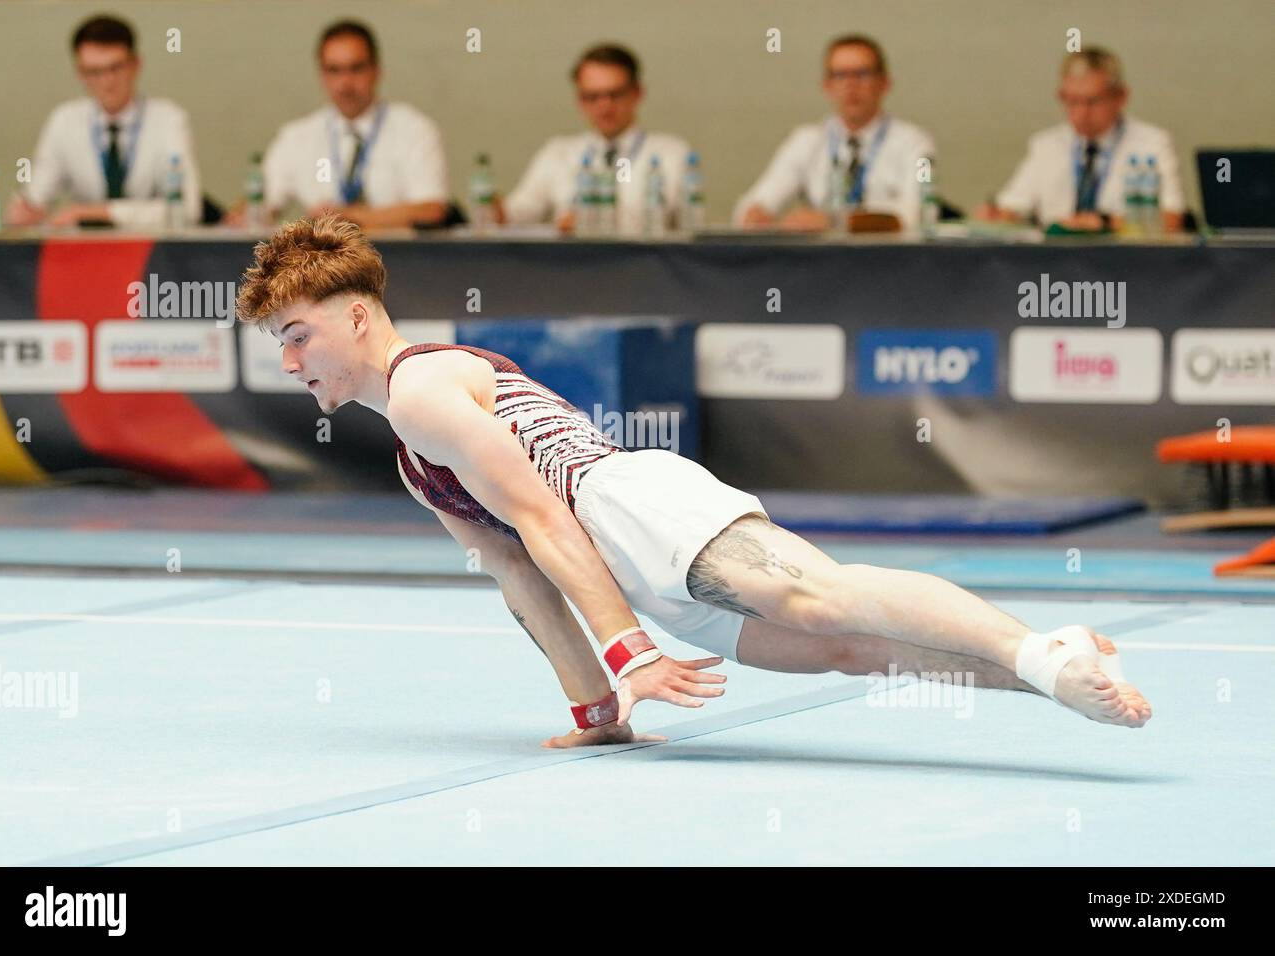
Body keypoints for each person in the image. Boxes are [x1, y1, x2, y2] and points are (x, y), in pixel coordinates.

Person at [235, 216, 1153, 747]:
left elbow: (543, 515)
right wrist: (596, 708)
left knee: (821, 600)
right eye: (280, 345)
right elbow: (523, 577)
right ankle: (1055, 661)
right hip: (622, 576)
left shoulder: (424, 388)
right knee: (847, 652)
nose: (290, 363)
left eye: (298, 336)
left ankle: (1038, 656)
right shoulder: (409, 458)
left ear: (358, 317)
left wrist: (629, 654)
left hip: (624, 505)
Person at [7, 14, 202, 229]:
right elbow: (34, 199)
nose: (107, 81)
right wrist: (25, 210)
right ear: (80, 73)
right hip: (85, 253)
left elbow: (187, 209)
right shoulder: (64, 120)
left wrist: (94, 212)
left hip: (153, 253)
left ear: (136, 64)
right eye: (94, 72)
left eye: (116, 68)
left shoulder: (168, 118)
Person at [250, 20, 448, 229]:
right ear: (322, 76)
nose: (345, 83)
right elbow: (260, 205)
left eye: (356, 69)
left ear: (376, 71)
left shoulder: (414, 129)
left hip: (399, 257)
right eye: (334, 70)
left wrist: (352, 217)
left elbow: (431, 209)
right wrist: (244, 213)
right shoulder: (296, 136)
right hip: (326, 259)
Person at [733, 34, 934, 231]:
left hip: (891, 259)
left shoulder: (917, 144)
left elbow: (919, 211)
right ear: (826, 85)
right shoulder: (805, 141)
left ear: (884, 83)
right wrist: (755, 215)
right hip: (821, 261)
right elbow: (756, 201)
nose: (851, 85)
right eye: (840, 75)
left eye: (862, 74)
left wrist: (838, 221)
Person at [976, 47, 1185, 232]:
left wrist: (1104, 223)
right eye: (1071, 101)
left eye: (1092, 102)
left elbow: (1172, 220)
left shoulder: (1153, 142)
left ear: (1121, 96)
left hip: (1125, 263)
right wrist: (997, 215)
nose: (1080, 113)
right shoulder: (1045, 145)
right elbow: (1013, 205)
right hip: (1057, 263)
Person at [500, 44, 693, 234]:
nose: (604, 106)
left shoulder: (671, 152)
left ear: (637, 93)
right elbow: (517, 214)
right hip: (575, 262)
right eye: (592, 96)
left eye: (614, 95)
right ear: (579, 99)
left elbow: (662, 217)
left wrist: (587, 221)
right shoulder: (558, 152)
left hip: (643, 262)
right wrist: (494, 209)